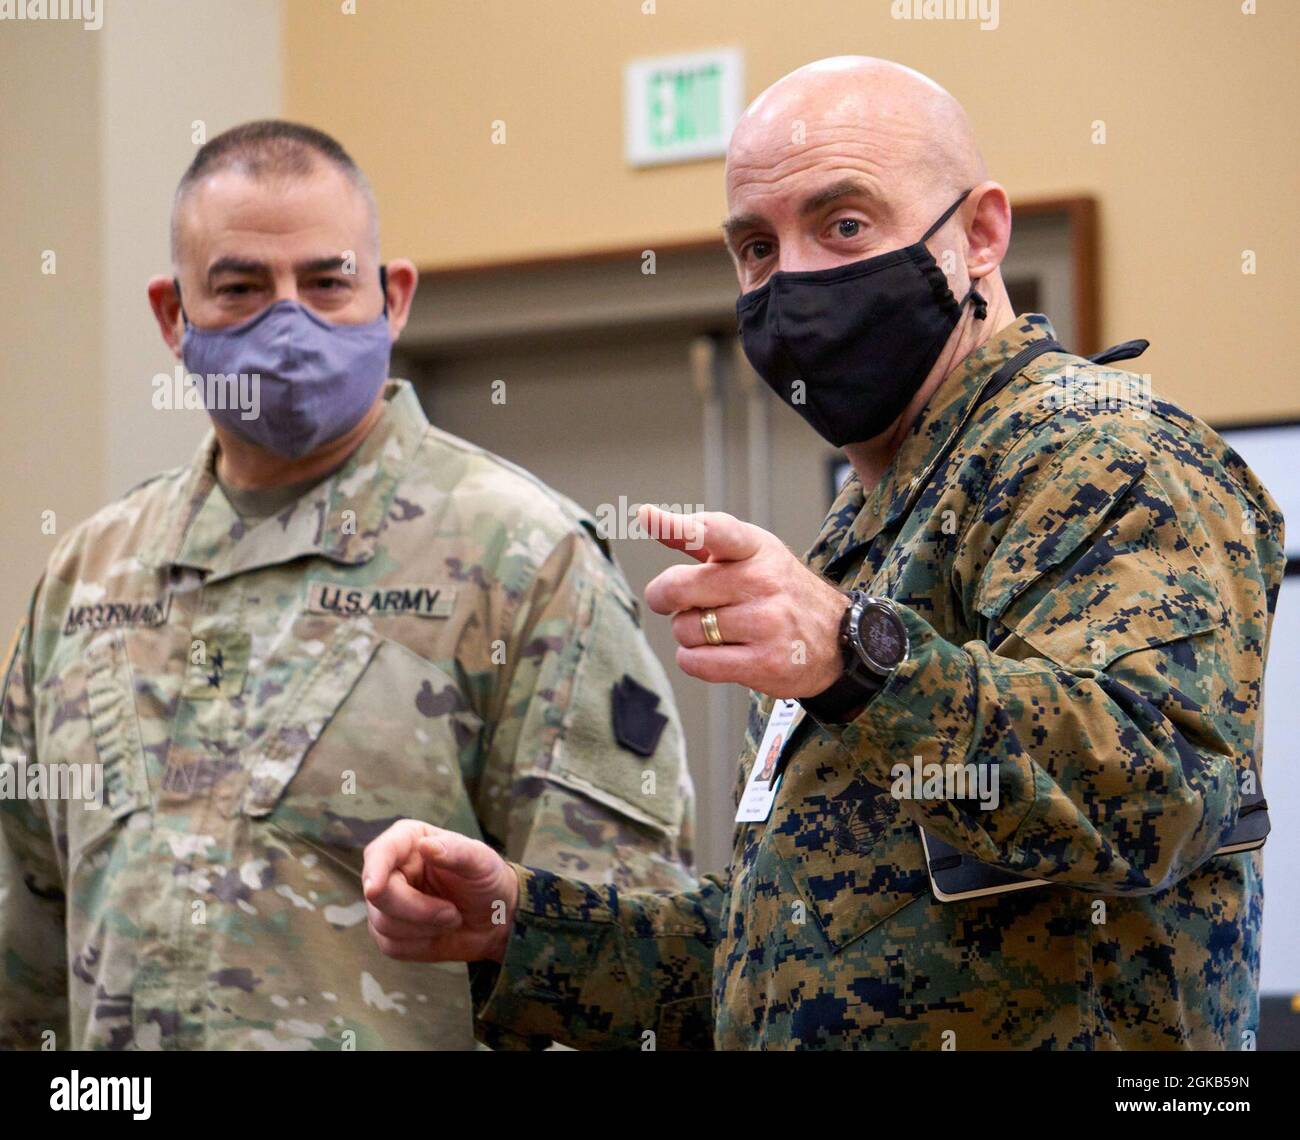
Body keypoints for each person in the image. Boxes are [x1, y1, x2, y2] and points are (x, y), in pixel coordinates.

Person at [362, 57, 1284, 1050]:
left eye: (843, 225)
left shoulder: (1100, 449)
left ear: (979, 235)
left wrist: (858, 659)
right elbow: (778, 958)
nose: (793, 277)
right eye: (756, 247)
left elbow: (1156, 795)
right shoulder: (862, 528)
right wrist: (520, 926)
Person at [0, 121, 696, 1050]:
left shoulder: (520, 557)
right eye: (242, 287)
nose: (288, 322)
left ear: (392, 296)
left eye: (326, 282)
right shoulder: (91, 576)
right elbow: (26, 945)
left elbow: (621, 955)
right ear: (174, 316)